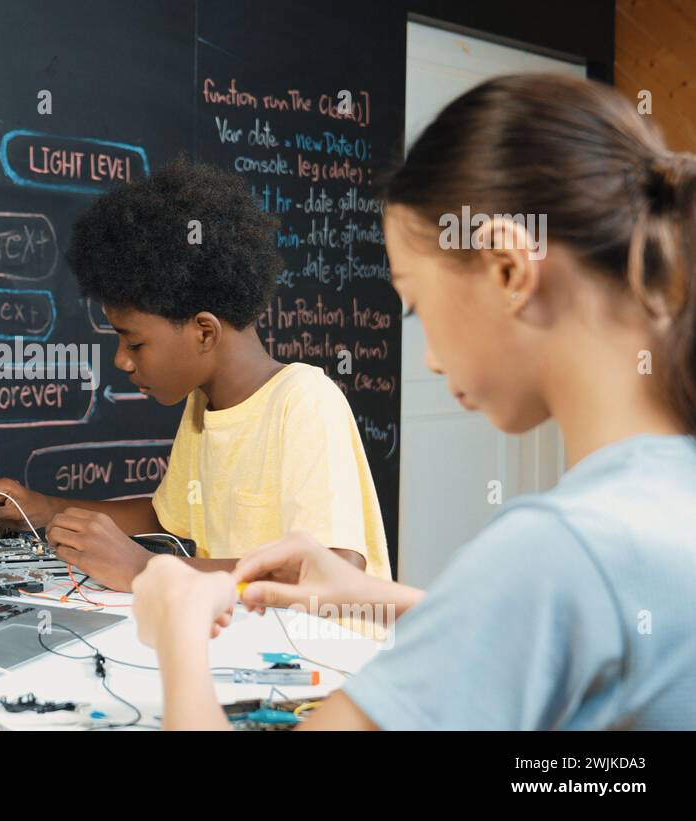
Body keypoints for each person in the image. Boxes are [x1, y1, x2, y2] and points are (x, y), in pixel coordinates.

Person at [132, 74, 696, 730]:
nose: (427, 355)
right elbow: (558, 624)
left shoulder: (557, 546)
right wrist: (378, 600)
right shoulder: (652, 502)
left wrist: (176, 624)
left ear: (510, 270)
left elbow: (550, 587)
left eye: (416, 303)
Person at [0, 159, 390, 592]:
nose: (121, 362)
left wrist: (146, 569)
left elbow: (332, 570)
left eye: (134, 343)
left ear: (204, 331)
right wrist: (45, 509)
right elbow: (166, 516)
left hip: (325, 656)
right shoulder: (203, 406)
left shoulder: (304, 401)